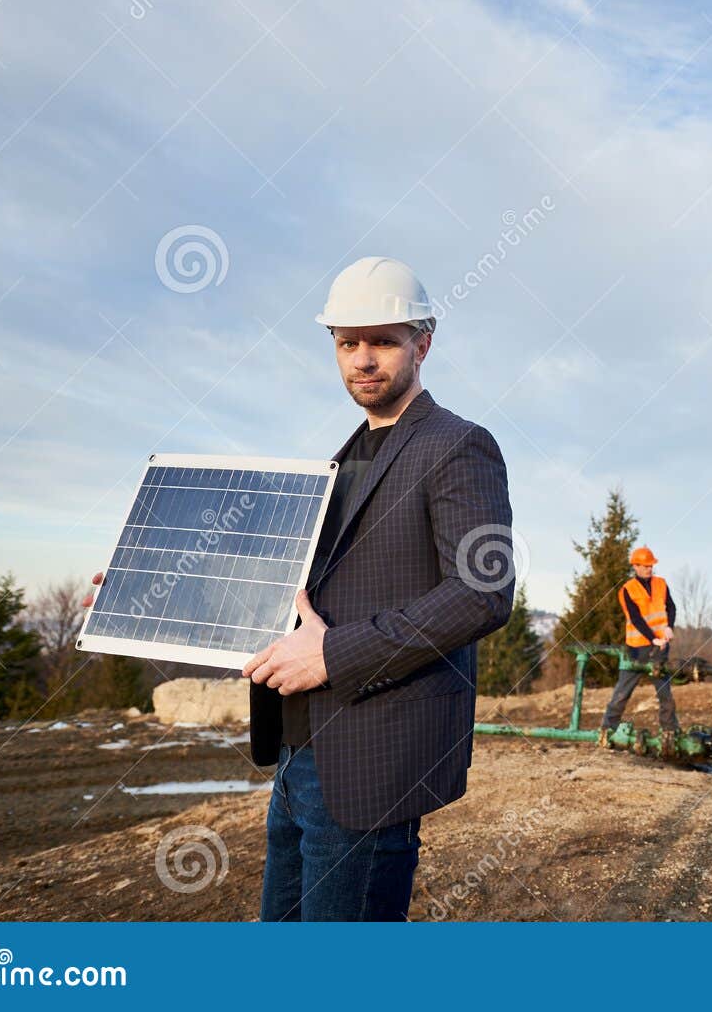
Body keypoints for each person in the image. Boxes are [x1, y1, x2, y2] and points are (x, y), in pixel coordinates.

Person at [93, 256, 513, 921]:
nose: (363, 358)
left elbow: (481, 593)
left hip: (371, 760)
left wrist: (335, 655)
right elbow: (278, 585)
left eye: (383, 340)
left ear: (423, 344)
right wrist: (150, 587)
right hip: (297, 755)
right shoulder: (339, 462)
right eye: (348, 343)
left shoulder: (456, 445)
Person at [599, 545, 680, 743]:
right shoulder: (627, 589)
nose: (649, 569)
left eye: (651, 565)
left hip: (659, 649)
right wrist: (652, 637)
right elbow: (635, 618)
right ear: (635, 566)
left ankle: (670, 733)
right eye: (645, 566)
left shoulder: (661, 583)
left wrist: (669, 627)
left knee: (665, 694)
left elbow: (671, 607)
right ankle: (606, 731)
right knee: (621, 693)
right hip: (636, 649)